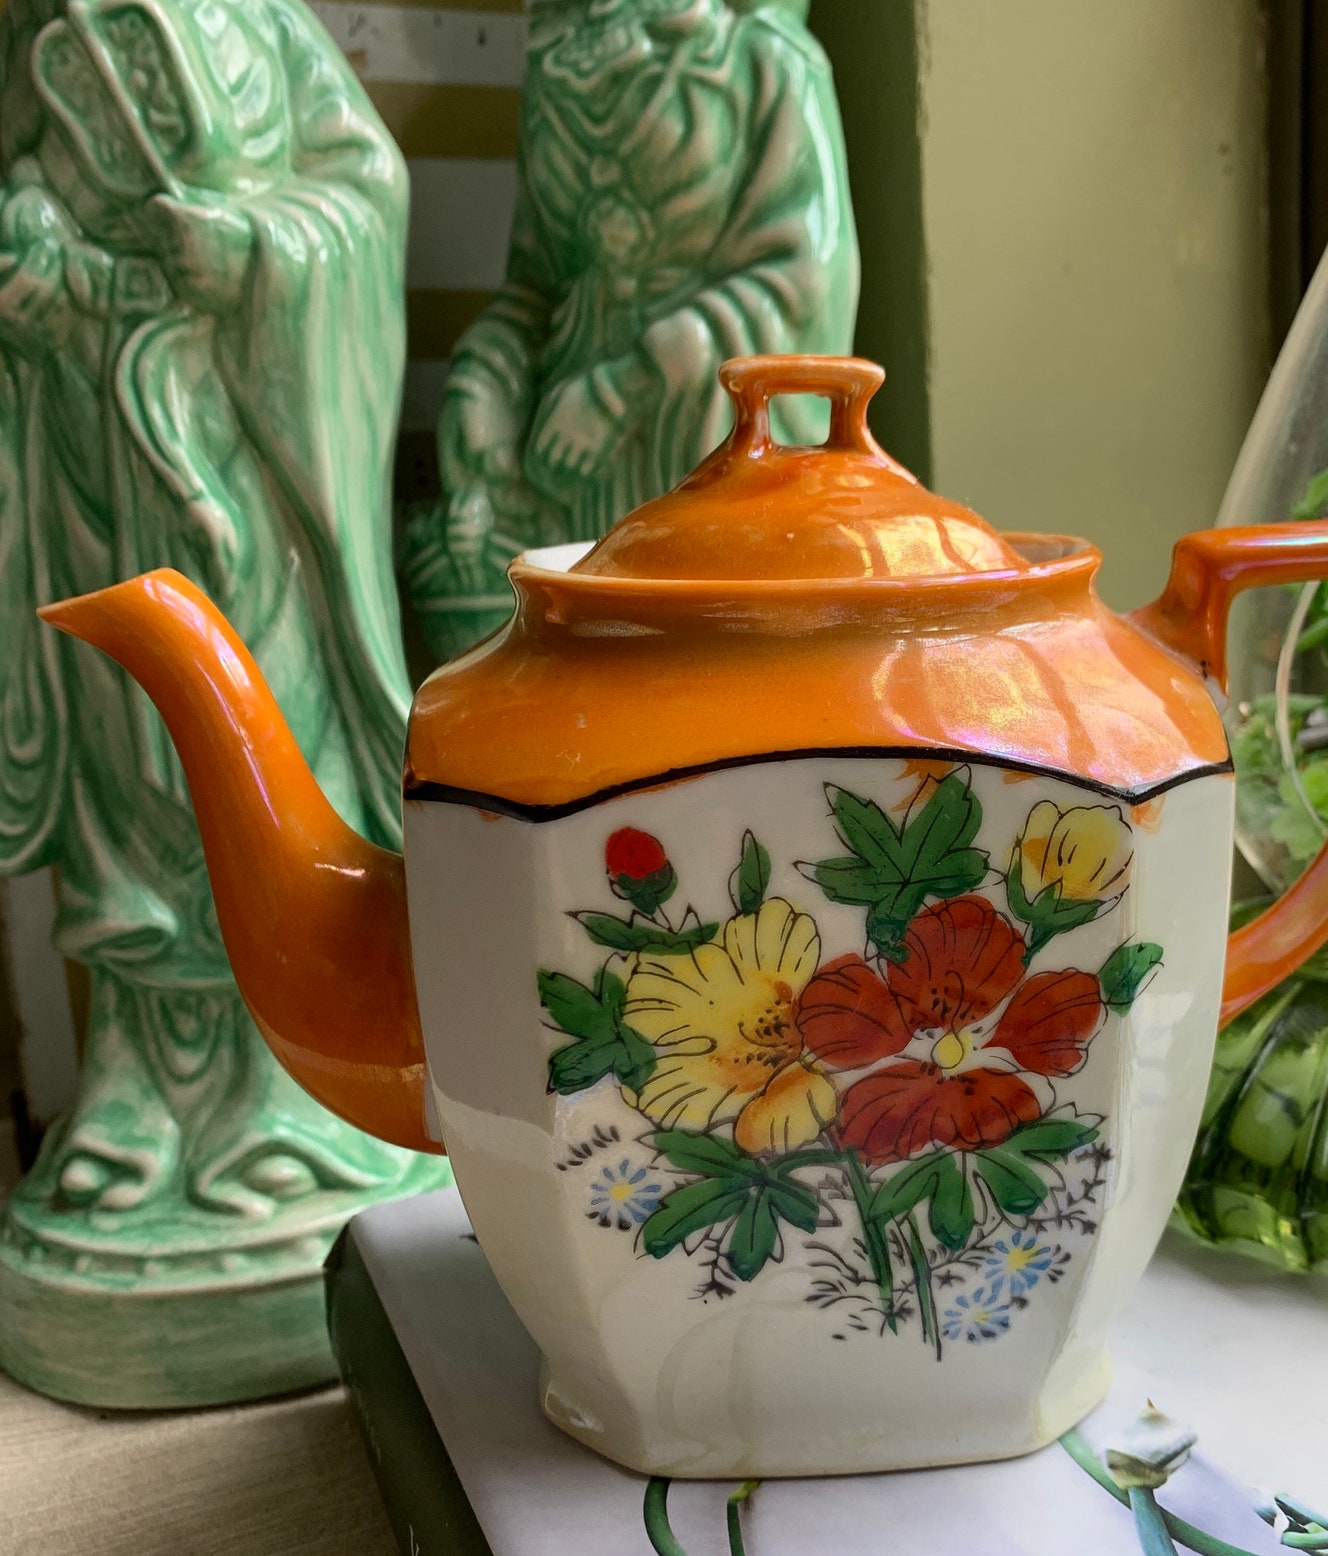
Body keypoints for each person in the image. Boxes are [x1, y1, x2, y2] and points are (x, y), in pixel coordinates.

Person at [0, 0, 429, 1214]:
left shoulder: (266, 33)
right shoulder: (45, 35)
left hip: (240, 453)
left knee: (259, 733)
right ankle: (136, 1078)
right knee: (124, 773)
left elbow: (360, 190)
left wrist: (256, 256)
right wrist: (32, 251)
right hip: (92, 440)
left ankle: (286, 1081)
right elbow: (25, 170)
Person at [403, 0, 859, 659]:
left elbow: (808, 276)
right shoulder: (559, 68)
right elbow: (537, 283)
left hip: (695, 432)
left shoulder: (763, 60)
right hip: (562, 450)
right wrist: (488, 377)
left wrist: (631, 385)